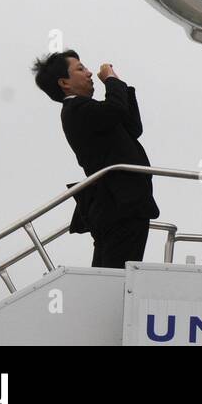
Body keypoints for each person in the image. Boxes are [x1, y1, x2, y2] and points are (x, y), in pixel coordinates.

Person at [31, 50, 159, 267]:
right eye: (80, 69)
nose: (90, 73)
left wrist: (119, 84)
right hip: (118, 205)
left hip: (124, 204)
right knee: (115, 275)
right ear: (64, 82)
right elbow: (115, 109)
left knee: (111, 272)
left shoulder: (90, 111)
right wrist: (110, 80)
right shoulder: (76, 109)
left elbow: (132, 128)